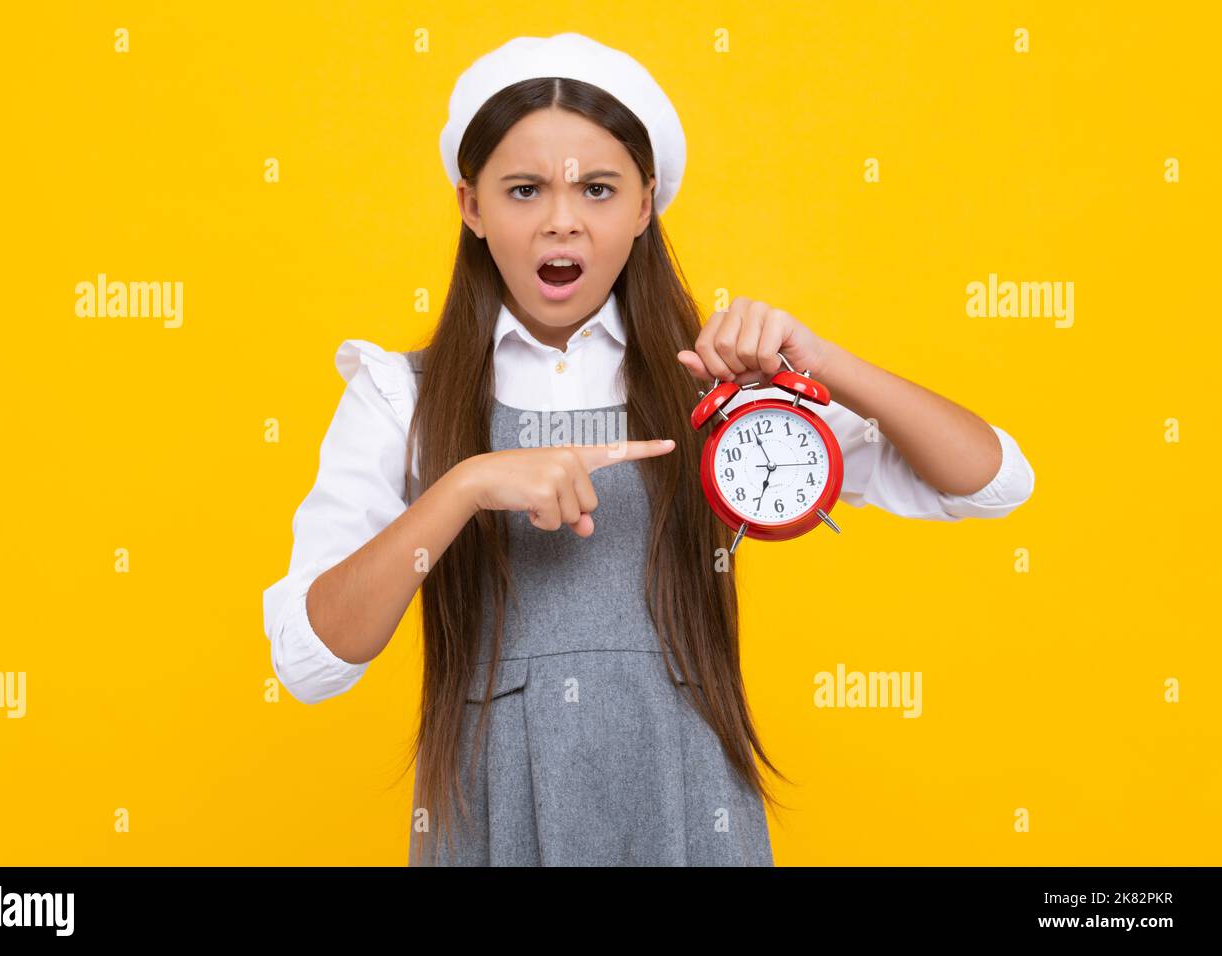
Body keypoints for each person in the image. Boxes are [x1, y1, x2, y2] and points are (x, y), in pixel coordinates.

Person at [262, 33, 1036, 866]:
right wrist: (463, 485)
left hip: (688, 809)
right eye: (524, 190)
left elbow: (993, 481)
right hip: (492, 819)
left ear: (643, 206)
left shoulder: (719, 385)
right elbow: (311, 660)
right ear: (472, 206)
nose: (562, 219)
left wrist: (821, 362)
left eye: (598, 189)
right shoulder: (399, 396)